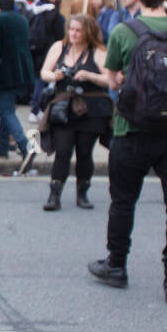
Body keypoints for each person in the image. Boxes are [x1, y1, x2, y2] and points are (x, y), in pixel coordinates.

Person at [88, 0, 167, 303]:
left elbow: (113, 82)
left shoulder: (126, 31)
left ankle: (117, 266)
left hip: (132, 129)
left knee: (123, 202)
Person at [37, 14, 112, 210]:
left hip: (91, 109)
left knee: (85, 152)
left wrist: (89, 75)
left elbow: (110, 80)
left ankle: (82, 193)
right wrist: (54, 75)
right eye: (71, 29)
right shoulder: (59, 47)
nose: (74, 34)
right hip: (64, 108)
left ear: (87, 32)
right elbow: (44, 72)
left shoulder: (98, 52)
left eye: (78, 30)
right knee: (62, 151)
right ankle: (54, 195)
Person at [0, 0, 36, 168]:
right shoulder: (21, 19)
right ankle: (3, 147)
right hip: (22, 72)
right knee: (6, 109)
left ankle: (25, 146)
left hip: (4, 72)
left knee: (6, 111)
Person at [26, 0, 65, 115]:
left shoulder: (33, 11)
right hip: (50, 50)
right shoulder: (54, 13)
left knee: (39, 78)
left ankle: (37, 108)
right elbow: (60, 34)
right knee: (44, 79)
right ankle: (37, 109)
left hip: (35, 50)